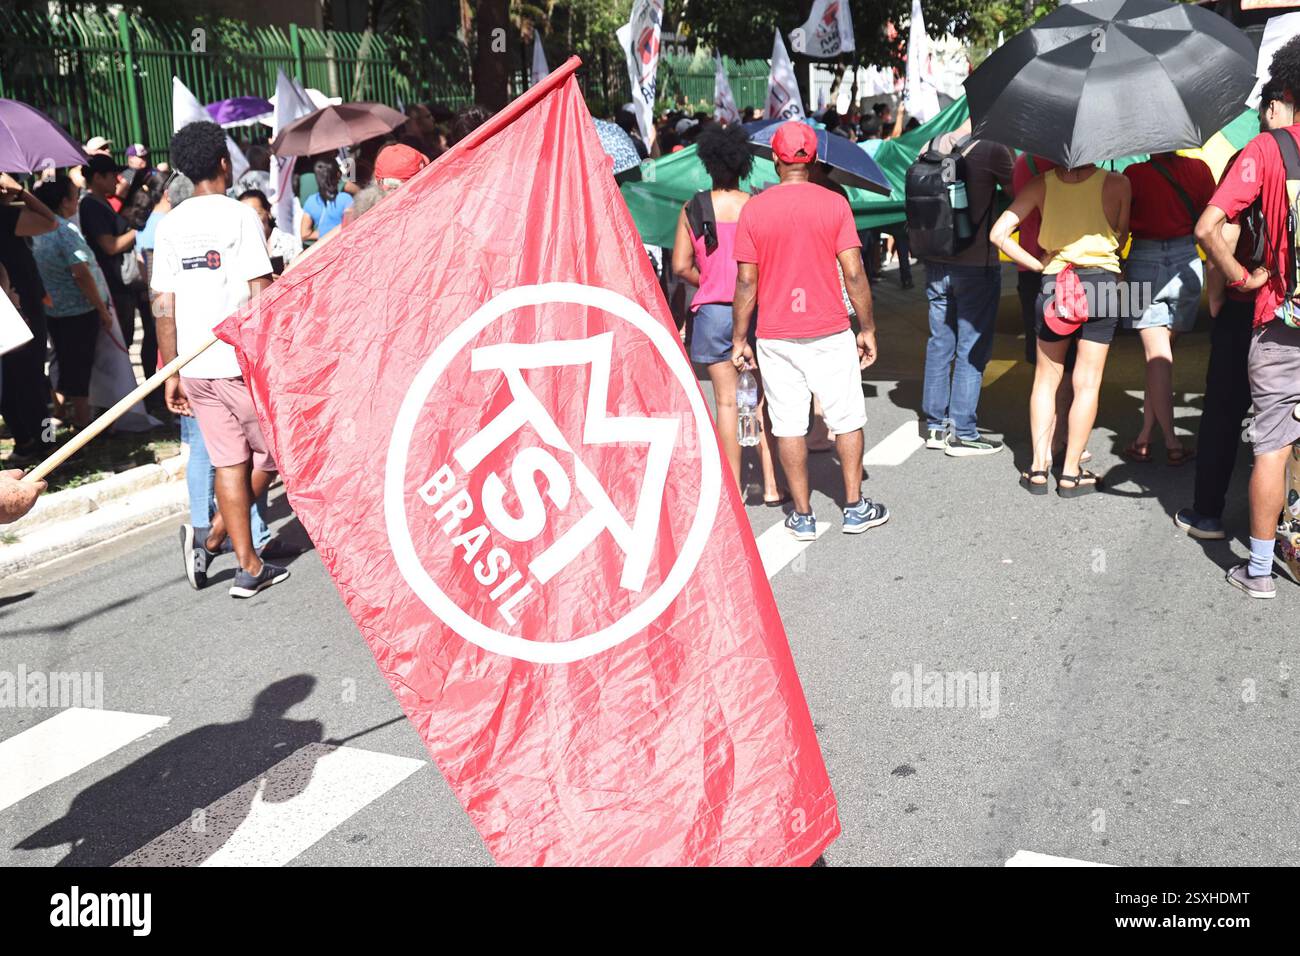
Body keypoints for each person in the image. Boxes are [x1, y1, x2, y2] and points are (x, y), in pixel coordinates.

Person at [731, 121, 889, 540]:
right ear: (815, 159)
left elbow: (747, 282)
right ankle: (854, 507)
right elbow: (854, 272)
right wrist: (867, 326)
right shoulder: (835, 205)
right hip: (830, 329)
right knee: (847, 416)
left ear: (776, 159)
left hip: (776, 333)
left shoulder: (754, 209)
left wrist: (739, 337)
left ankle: (802, 515)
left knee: (787, 424)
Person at [152, 120, 288, 598]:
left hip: (195, 365)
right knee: (275, 452)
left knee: (230, 463)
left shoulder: (169, 224)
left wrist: (171, 371)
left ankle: (237, 557)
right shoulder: (238, 216)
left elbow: (162, 304)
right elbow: (260, 291)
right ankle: (222, 545)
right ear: (224, 163)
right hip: (237, 362)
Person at [1195, 35, 1300, 598]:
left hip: (1282, 320)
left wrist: (1238, 277)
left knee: (1272, 445)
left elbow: (1208, 228)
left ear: (1284, 91)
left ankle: (1259, 571)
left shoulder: (1265, 150)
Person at [1176, 80, 1295, 543]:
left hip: (1253, 307)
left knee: (1226, 410)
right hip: (1295, 307)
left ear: (1273, 108)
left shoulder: (1255, 154)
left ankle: (1208, 514)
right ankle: (1286, 525)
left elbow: (1218, 234)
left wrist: (1226, 289)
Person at [991, 160, 1131, 496]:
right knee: (1087, 383)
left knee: (1046, 378)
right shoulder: (1118, 183)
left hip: (1057, 283)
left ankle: (1038, 466)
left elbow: (997, 234)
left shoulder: (1041, 184)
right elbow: (1122, 234)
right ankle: (1070, 473)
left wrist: (1038, 263)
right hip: (1102, 283)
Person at [670, 124, 784, 504]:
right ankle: (771, 484)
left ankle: (733, 490)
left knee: (727, 403)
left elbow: (680, 266)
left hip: (713, 316)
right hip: (756, 312)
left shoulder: (693, 207)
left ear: (707, 163)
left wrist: (711, 280)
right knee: (761, 399)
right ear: (743, 164)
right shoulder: (757, 206)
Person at [920, 128, 1014, 456]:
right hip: (976, 263)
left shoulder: (932, 143)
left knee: (939, 343)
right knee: (971, 348)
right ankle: (962, 431)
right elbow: (1019, 191)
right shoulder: (993, 147)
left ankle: (934, 426)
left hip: (934, 259)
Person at [1119, 150, 1215, 466]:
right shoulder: (1199, 170)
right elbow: (1211, 220)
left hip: (1143, 261)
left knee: (1158, 359)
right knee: (1160, 359)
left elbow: (1118, 223)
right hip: (1187, 262)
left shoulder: (1133, 174)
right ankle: (1144, 437)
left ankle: (1172, 443)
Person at [30, 176, 115, 430]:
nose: (77, 201)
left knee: (62, 362)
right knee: (79, 365)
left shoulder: (35, 230)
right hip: (79, 310)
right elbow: (80, 273)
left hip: (53, 309)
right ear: (64, 201)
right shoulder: (64, 231)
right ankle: (83, 422)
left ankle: (59, 412)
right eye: (74, 196)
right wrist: (101, 307)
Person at [0, 171, 59, 464]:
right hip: (20, 308)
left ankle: (24, 442)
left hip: (14, 306)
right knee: (32, 379)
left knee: (11, 380)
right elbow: (50, 221)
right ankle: (46, 442)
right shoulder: (6, 216)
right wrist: (21, 192)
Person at [79, 153, 154, 373]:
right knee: (121, 341)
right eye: (113, 176)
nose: (119, 180)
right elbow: (110, 246)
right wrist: (139, 229)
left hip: (122, 284)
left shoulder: (104, 203)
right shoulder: (91, 206)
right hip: (113, 283)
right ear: (98, 178)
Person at [238, 188, 302, 272]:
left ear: (268, 212)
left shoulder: (289, 243)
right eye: (245, 217)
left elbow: (304, 275)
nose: (251, 220)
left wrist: (287, 277)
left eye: (256, 214)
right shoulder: (238, 247)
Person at [299, 159, 353, 243]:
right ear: (338, 175)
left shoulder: (311, 201)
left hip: (324, 249)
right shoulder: (346, 199)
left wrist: (324, 234)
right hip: (343, 245)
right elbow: (350, 227)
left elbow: (304, 234)